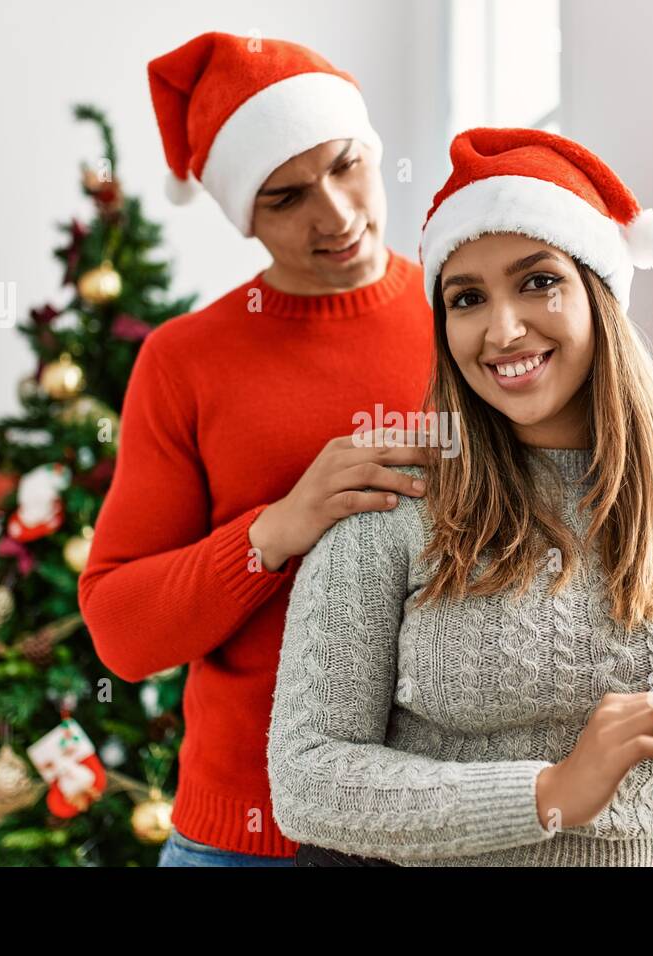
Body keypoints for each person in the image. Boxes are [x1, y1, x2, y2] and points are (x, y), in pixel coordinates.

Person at [267, 127, 653, 867]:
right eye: (467, 298)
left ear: (599, 293)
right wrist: (552, 790)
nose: (502, 330)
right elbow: (305, 778)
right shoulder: (397, 496)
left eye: (539, 281)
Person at [78, 32, 434, 867]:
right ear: (243, 215)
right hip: (246, 836)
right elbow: (123, 633)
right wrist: (276, 529)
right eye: (285, 197)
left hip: (448, 825)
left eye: (348, 164)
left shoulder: (466, 318)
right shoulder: (185, 361)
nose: (337, 213)